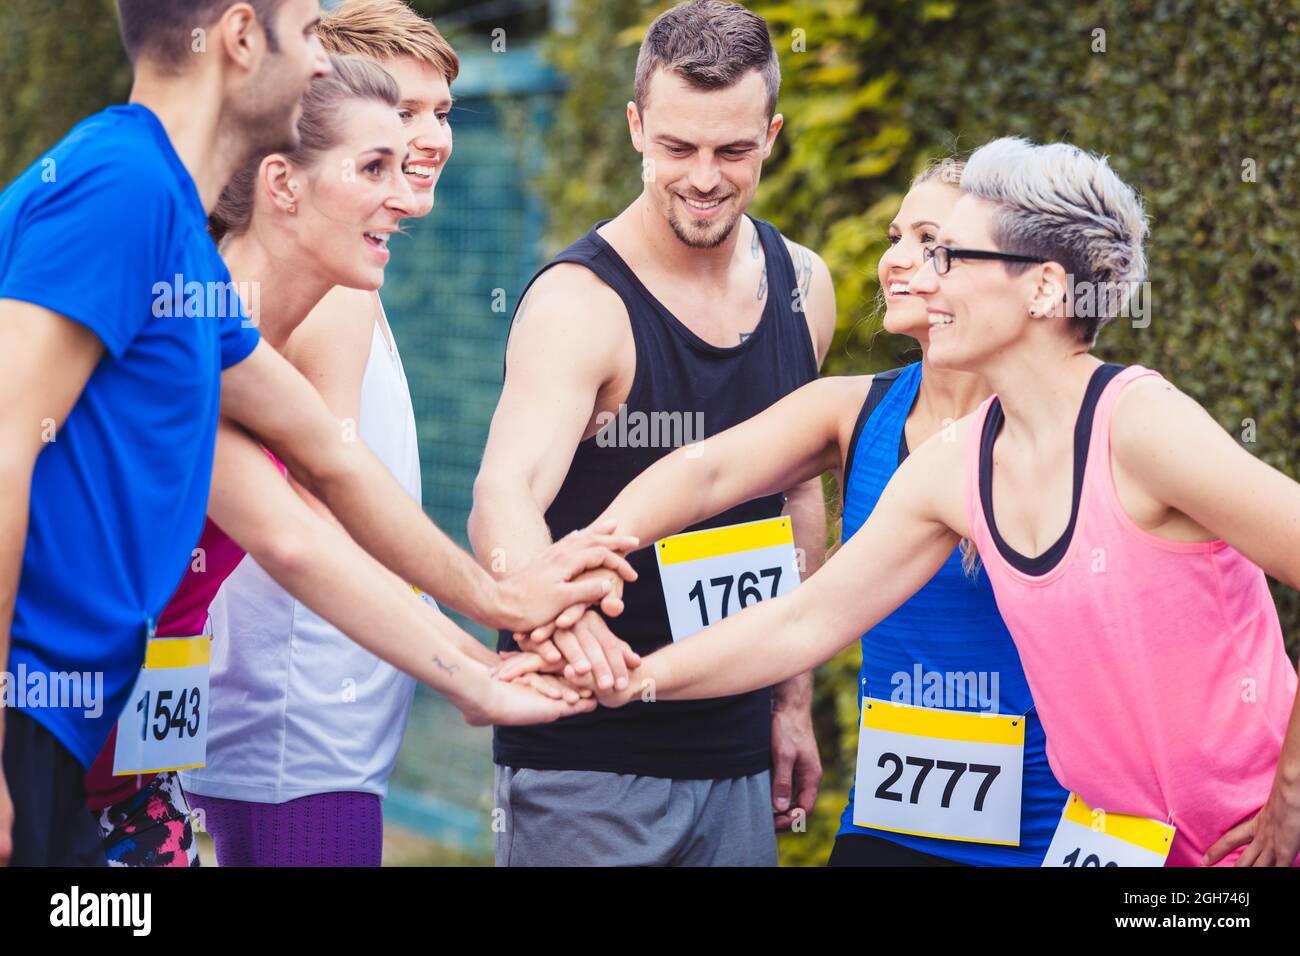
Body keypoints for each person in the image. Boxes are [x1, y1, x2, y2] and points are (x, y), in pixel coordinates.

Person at [0, 0, 625, 867]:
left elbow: (317, 484)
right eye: (307, 34)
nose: (318, 62)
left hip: (99, 747)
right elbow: (4, 446)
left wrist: (493, 630)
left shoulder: (176, 239)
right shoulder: (123, 186)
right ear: (242, 36)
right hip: (30, 725)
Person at [582, 135, 1300, 868]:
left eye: (949, 257)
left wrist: (1291, 805)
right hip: (1116, 849)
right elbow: (803, 621)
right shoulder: (955, 466)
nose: (922, 279)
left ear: (1046, 289)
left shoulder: (1141, 427)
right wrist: (628, 680)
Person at [524, 160, 1070, 866]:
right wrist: (591, 561)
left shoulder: (1074, 431)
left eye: (931, 243)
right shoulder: (859, 410)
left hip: (1046, 825)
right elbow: (705, 473)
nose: (895, 261)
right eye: (895, 235)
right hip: (890, 823)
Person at [184, 0, 591, 867]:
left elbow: (331, 476)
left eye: (440, 113)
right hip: (289, 724)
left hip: (283, 719)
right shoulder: (294, 297)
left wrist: (478, 643)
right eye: (395, 121)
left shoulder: (291, 292)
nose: (426, 142)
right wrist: (472, 656)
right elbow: (306, 524)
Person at [469, 0, 836, 867]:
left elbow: (795, 493)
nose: (704, 177)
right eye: (677, 147)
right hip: (588, 754)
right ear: (636, 128)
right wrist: (553, 619)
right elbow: (503, 496)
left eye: (733, 150)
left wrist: (791, 700)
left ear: (772, 135)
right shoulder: (579, 305)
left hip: (737, 750)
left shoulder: (803, 285)